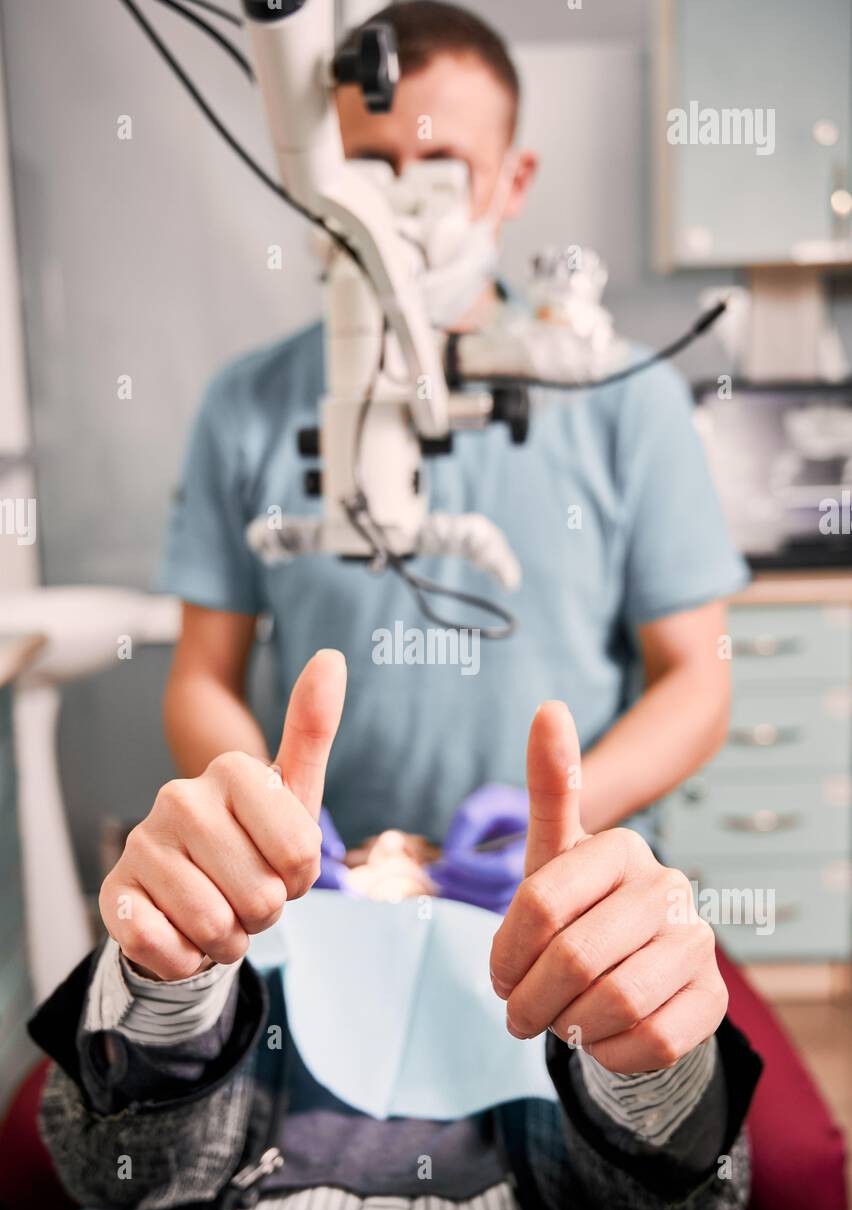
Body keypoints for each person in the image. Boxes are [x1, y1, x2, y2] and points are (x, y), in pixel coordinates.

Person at [159, 1, 747, 857]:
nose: (403, 212)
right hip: (332, 885)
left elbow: (698, 679)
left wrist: (557, 817)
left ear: (513, 182)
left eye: (443, 170)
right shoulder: (245, 403)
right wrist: (271, 823)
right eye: (370, 169)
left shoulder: (629, 399)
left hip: (564, 879)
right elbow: (200, 676)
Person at [30, 651, 774, 1210]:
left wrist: (645, 1054)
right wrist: (170, 969)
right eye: (365, 857)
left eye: (415, 862)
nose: (388, 860)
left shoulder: (571, 1000)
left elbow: (682, 1208)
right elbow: (104, 1166)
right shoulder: (245, 983)